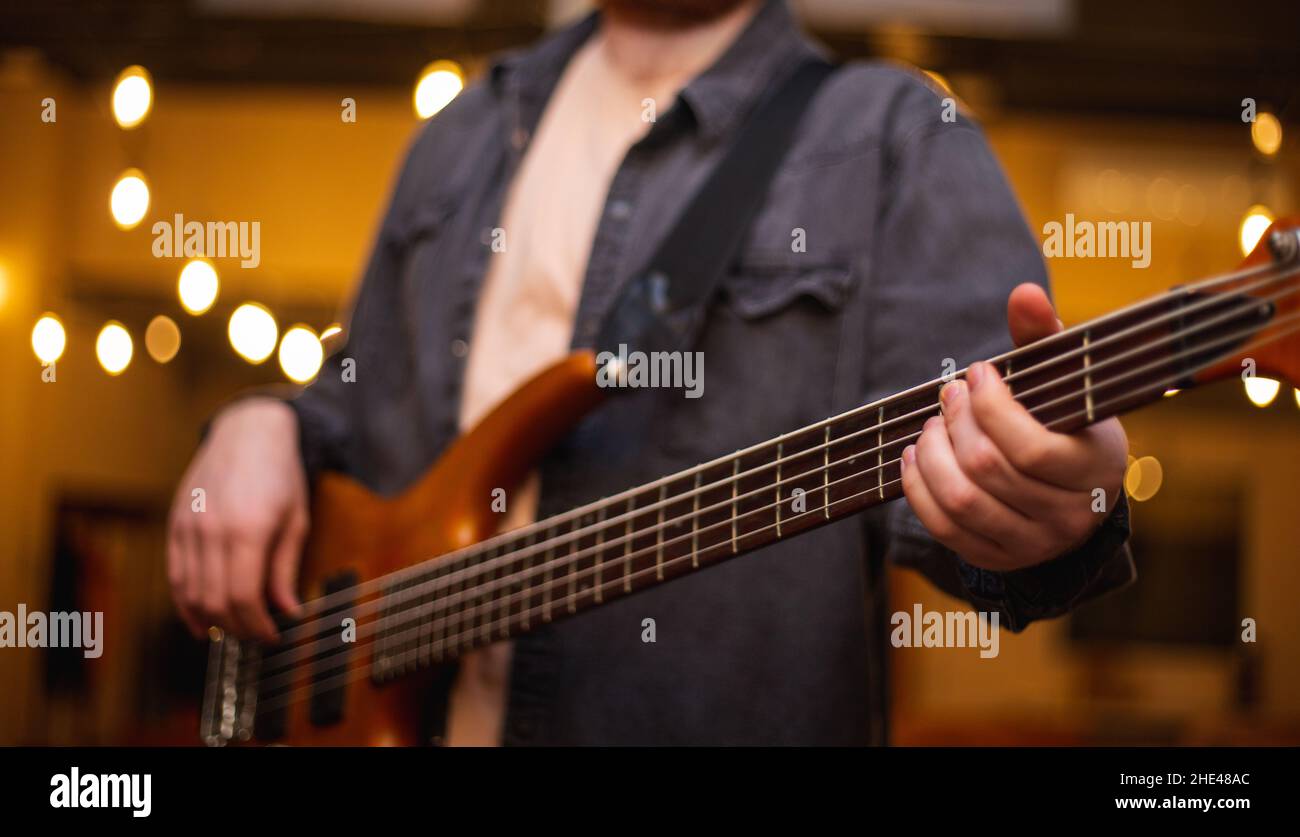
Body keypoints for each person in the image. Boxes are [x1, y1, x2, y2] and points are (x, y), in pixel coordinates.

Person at [167, 0, 1134, 745]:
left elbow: (976, 483)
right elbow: (355, 393)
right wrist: (264, 423)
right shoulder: (462, 131)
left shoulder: (897, 137)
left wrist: (1054, 516)